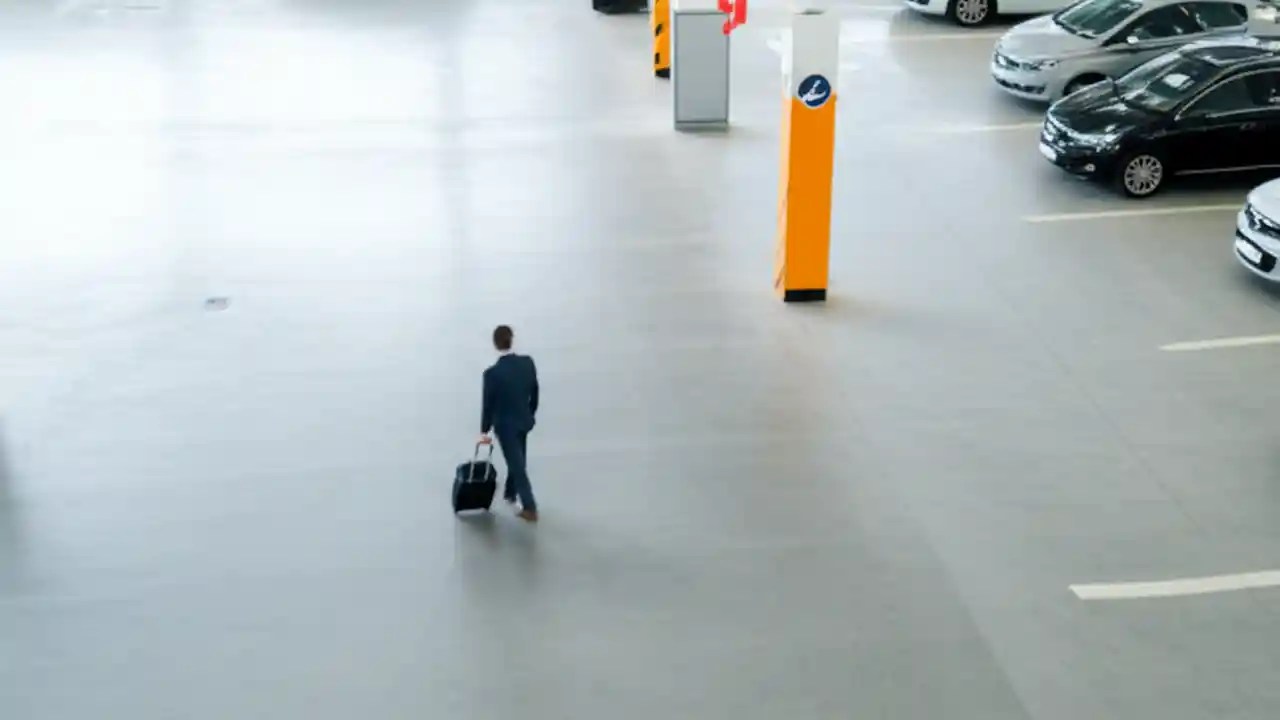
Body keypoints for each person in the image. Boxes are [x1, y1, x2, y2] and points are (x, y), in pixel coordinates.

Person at [479, 325, 540, 522]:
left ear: (495, 344)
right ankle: (510, 493)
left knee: (517, 464)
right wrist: (530, 414)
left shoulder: (491, 374)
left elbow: (488, 404)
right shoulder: (528, 363)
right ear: (512, 339)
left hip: (505, 426)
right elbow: (535, 391)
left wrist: (484, 430)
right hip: (523, 420)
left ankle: (530, 507)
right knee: (519, 457)